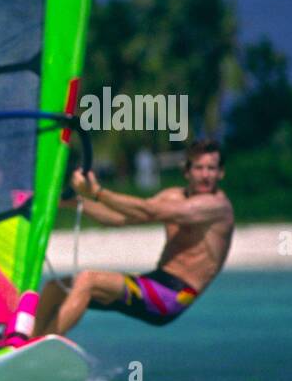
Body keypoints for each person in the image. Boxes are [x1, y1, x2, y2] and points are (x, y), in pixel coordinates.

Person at [34, 138, 234, 336]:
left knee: (89, 279)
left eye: (212, 168)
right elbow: (119, 217)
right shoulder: (172, 196)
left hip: (173, 296)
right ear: (187, 171)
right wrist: (76, 201)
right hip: (152, 282)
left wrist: (97, 192)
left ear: (221, 173)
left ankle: (40, 353)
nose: (206, 175)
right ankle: (24, 345)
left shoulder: (216, 207)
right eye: (199, 168)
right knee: (56, 288)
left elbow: (149, 211)